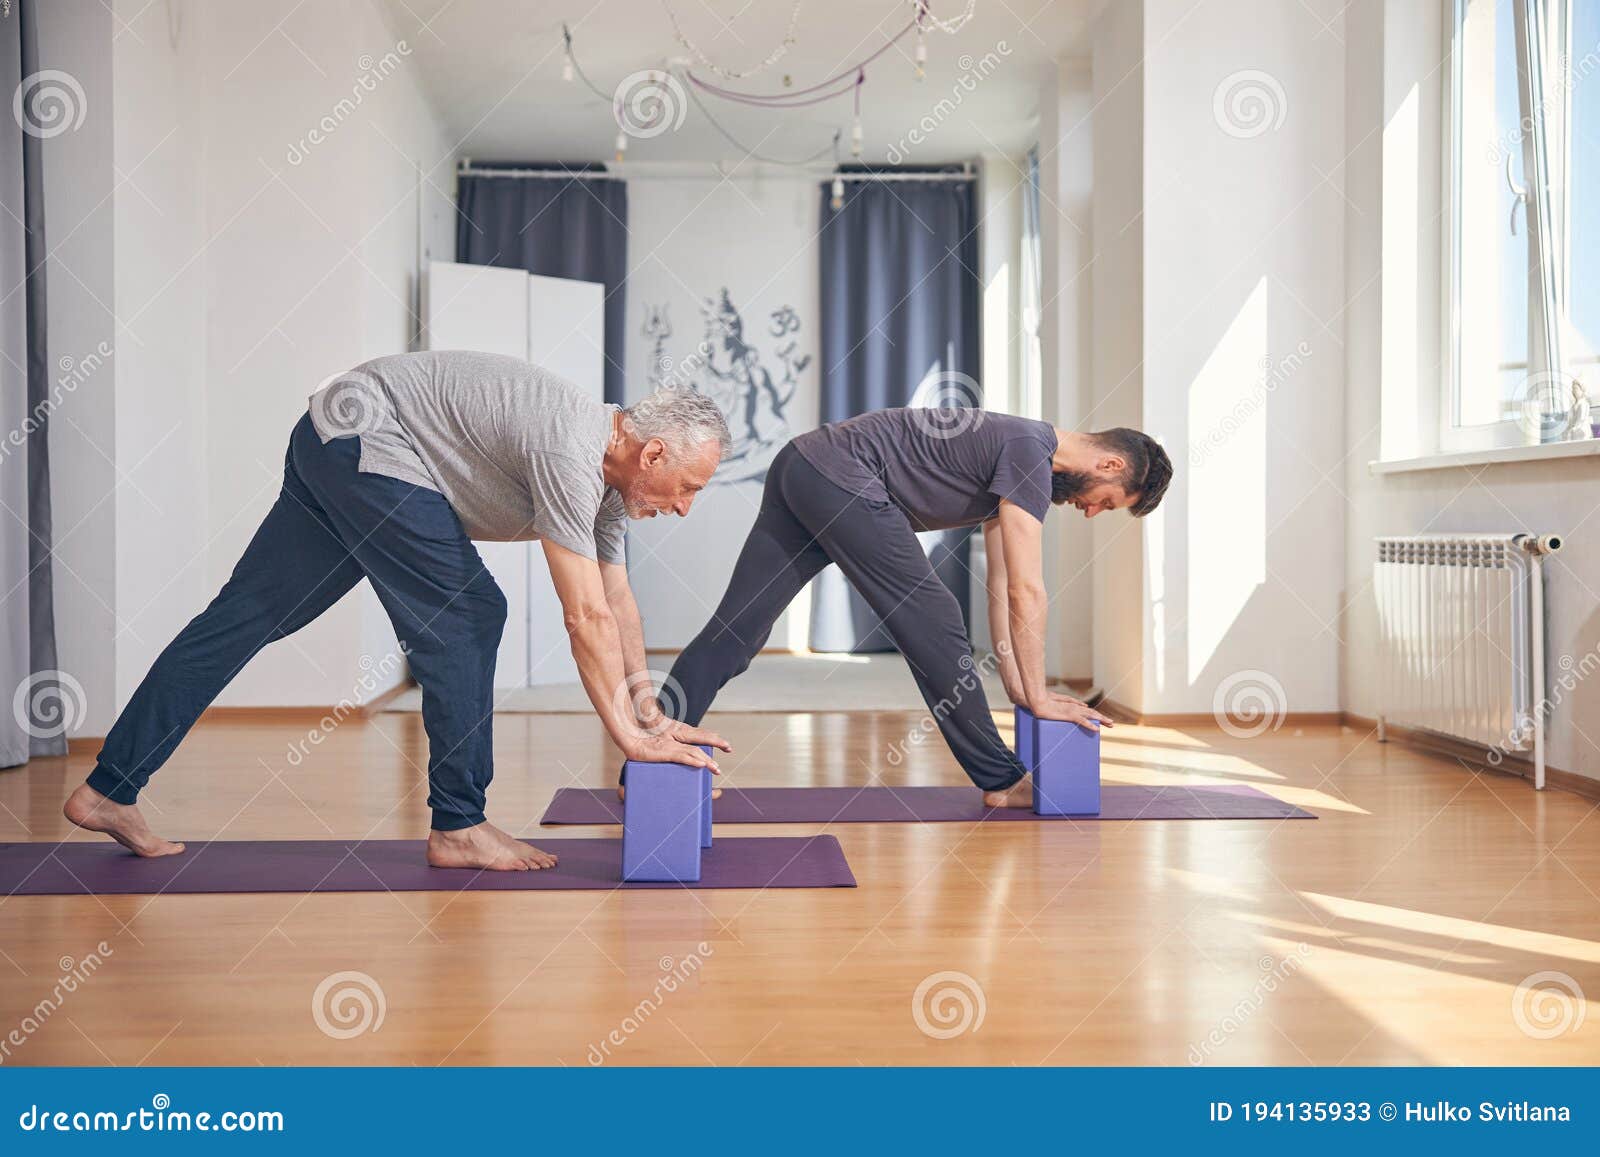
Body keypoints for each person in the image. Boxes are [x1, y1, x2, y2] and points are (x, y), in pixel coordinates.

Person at [63, 352, 733, 870]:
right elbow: (583, 616)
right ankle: (460, 823)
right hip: (367, 440)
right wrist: (628, 737)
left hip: (334, 437)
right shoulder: (571, 447)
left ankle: (107, 789)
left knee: (245, 615)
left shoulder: (610, 492)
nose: (684, 506)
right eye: (690, 488)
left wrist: (649, 712)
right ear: (652, 453)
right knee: (471, 613)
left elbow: (616, 601)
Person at [666, 406, 1172, 807]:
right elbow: (1027, 590)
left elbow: (1001, 584)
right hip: (841, 476)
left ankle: (654, 760)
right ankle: (1000, 779)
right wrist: (1039, 697)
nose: (1090, 512)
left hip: (802, 464)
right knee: (936, 620)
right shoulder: (1028, 451)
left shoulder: (1020, 450)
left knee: (735, 632)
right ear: (1110, 465)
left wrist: (1021, 685)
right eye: (1106, 501)